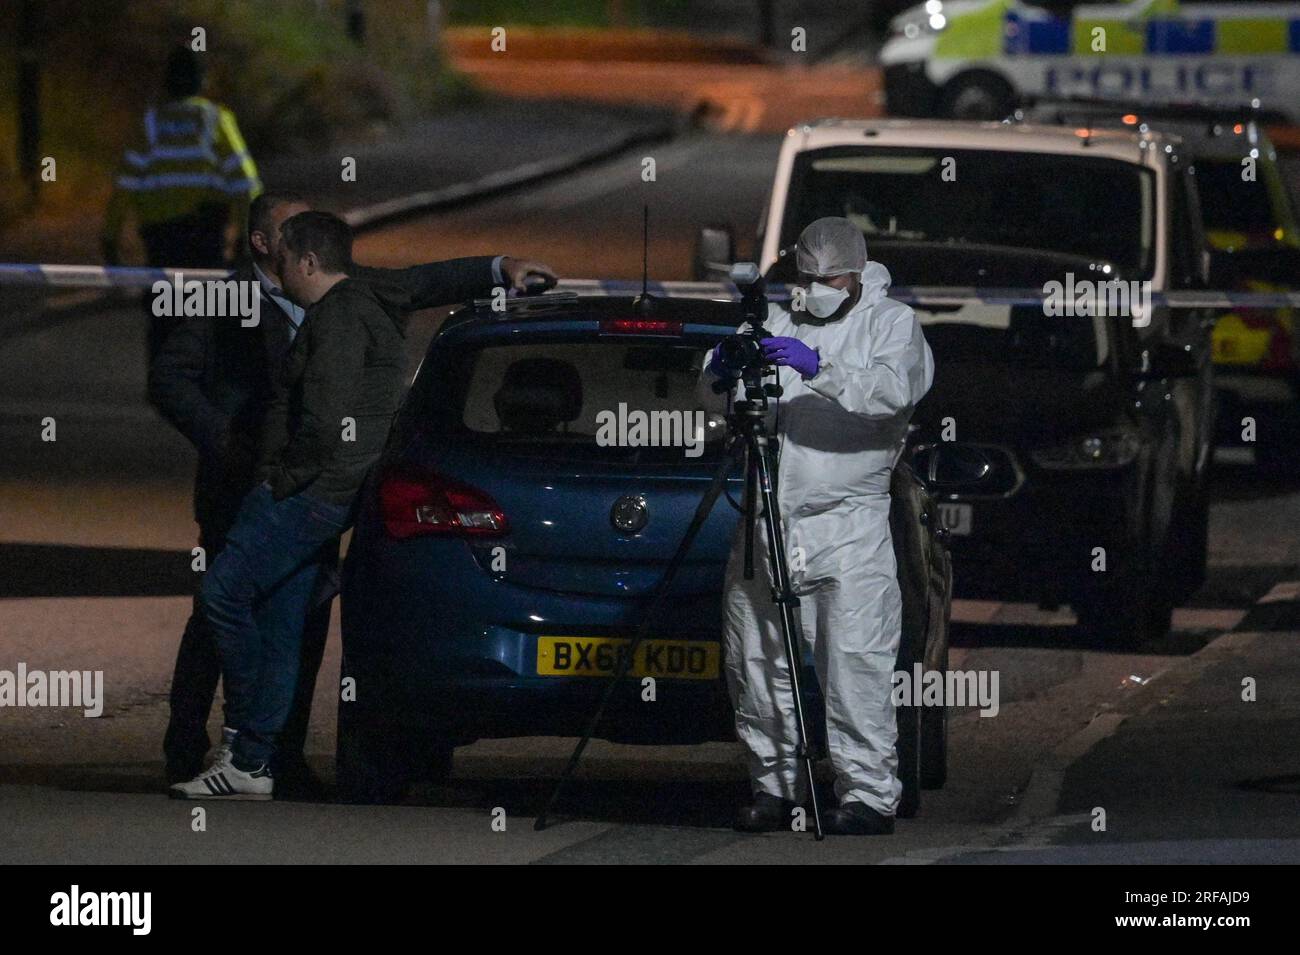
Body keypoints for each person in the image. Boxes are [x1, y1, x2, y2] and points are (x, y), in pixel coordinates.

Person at [154, 197, 556, 796]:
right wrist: (227, 443)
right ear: (267, 245)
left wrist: (499, 268)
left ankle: (262, 752)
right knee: (224, 618)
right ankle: (195, 744)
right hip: (241, 484)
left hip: (293, 487)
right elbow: (170, 379)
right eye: (290, 229)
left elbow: (421, 287)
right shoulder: (224, 297)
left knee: (277, 614)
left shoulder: (346, 298)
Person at [705, 217, 934, 836]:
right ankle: (775, 786)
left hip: (849, 527)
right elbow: (717, 391)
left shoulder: (892, 325)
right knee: (757, 660)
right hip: (767, 521)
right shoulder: (781, 321)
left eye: (829, 277)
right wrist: (723, 367)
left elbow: (892, 392)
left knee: (855, 664)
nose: (817, 288)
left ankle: (866, 794)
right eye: (806, 278)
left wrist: (817, 367)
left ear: (856, 272)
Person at [101, 45, 262, 362]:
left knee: (164, 323)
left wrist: (110, 238)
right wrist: (247, 239)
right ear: (201, 82)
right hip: (206, 240)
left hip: (161, 244)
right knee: (208, 322)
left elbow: (124, 188)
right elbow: (246, 185)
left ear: (166, 83)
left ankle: (168, 391)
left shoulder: (150, 125)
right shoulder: (216, 120)